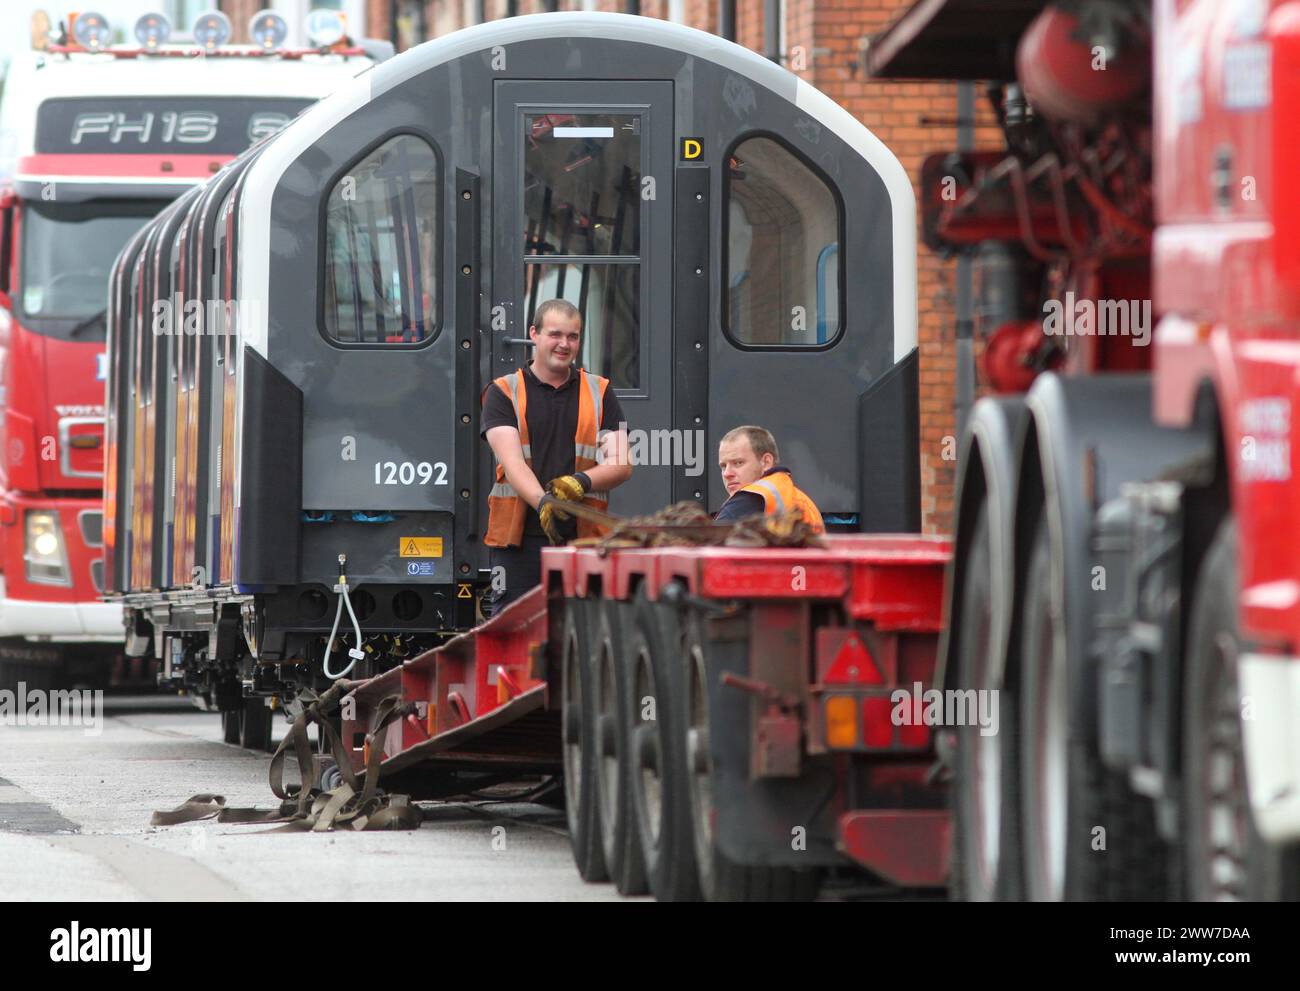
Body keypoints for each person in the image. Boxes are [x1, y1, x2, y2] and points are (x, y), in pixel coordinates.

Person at [480, 299, 632, 614]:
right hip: (518, 544)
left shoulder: (599, 391)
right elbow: (512, 463)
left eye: (573, 336)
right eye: (555, 334)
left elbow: (621, 463)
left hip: (584, 541)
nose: (564, 344)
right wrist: (544, 502)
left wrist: (580, 481)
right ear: (534, 334)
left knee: (582, 636)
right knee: (515, 632)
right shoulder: (503, 392)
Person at [714, 425, 824, 532]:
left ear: (766, 462)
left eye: (738, 463)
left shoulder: (749, 499)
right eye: (723, 466)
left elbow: (709, 547)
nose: (727, 473)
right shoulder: (801, 499)